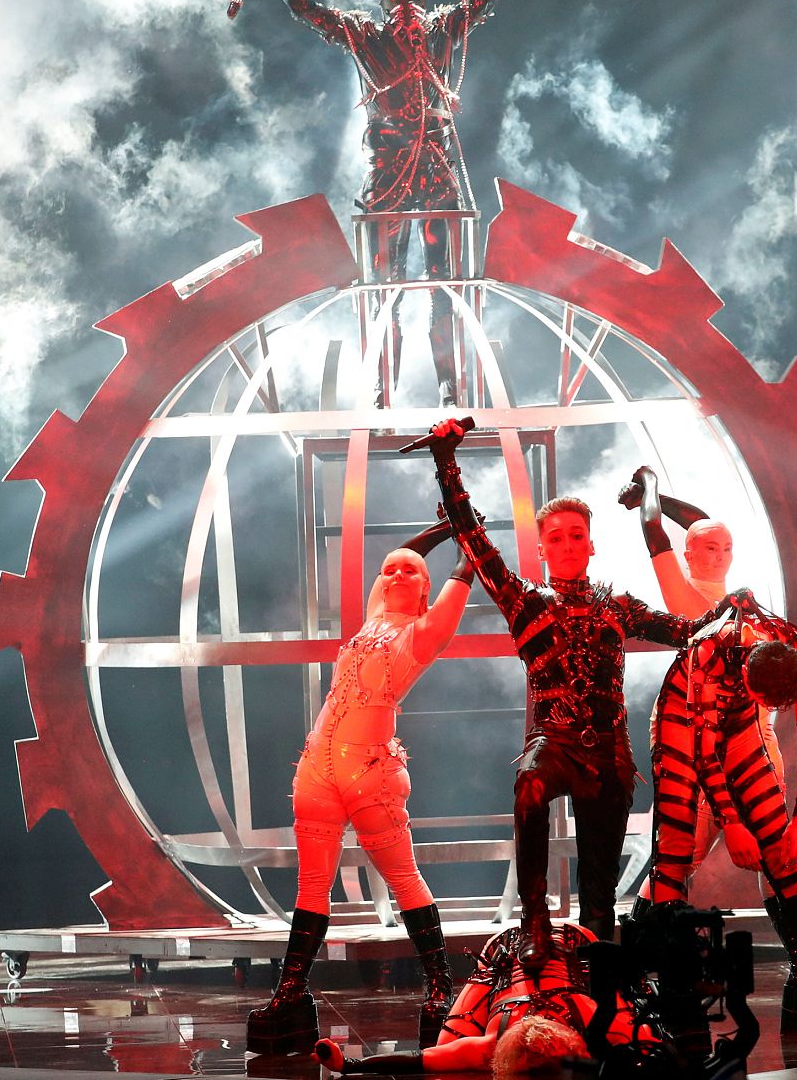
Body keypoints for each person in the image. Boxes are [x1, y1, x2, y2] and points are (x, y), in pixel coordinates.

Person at [423, 418, 699, 961]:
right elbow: (474, 542)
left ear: (591, 546)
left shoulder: (617, 603)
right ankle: (534, 921)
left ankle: (598, 962)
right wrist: (445, 461)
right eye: (556, 538)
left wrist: (735, 609)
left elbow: (686, 631)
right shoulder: (525, 601)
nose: (568, 545)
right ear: (542, 550)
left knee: (600, 896)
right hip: (553, 741)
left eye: (576, 536)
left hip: (609, 751)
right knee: (529, 785)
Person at [252, 0, 535, 405]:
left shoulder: (443, 27)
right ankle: (383, 389)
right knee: (385, 287)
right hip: (387, 174)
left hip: (437, 169)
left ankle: (449, 388)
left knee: (445, 286)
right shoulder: (364, 34)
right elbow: (303, 7)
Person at [247, 522, 474, 1054]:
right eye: (388, 570)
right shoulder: (374, 617)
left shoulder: (424, 632)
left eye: (410, 573)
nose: (395, 574)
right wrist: (440, 530)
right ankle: (290, 992)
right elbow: (404, 554)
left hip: (371, 774)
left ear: (427, 588)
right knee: (311, 886)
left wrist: (464, 536)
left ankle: (439, 990)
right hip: (317, 768)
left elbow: (464, 573)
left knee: (405, 878)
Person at [646, 595, 797, 1048]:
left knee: (783, 853)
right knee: (675, 851)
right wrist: (731, 822)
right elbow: (704, 754)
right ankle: (672, 993)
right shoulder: (709, 651)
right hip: (683, 718)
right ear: (748, 673)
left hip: (742, 723)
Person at [618, 469, 797, 993]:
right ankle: (636, 961)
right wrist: (648, 491)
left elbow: (701, 523)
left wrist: (665, 500)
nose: (719, 555)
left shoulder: (742, 603)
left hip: (754, 730)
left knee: (775, 844)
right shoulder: (681, 593)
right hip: (695, 728)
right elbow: (660, 532)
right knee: (684, 851)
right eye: (709, 548)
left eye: (726, 547)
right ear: (690, 554)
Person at [313, 921, 647, 1076]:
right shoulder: (591, 1027)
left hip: (545, 951)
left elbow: (420, 1060)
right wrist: (349, 1065)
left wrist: (350, 1065)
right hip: (539, 947)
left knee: (448, 1047)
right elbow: (421, 1060)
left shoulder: (491, 1047)